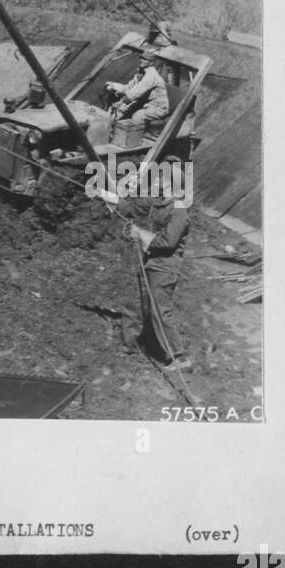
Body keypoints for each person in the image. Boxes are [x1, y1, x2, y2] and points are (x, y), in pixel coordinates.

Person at [113, 165, 192, 372]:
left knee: (160, 312)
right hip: (149, 261)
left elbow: (167, 242)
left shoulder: (179, 211)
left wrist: (139, 233)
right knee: (136, 303)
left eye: (161, 180)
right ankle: (128, 344)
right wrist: (118, 195)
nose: (156, 183)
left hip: (165, 268)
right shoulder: (156, 202)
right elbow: (131, 208)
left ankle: (180, 357)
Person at [105, 46, 169, 128]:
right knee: (118, 109)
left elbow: (135, 93)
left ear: (151, 63)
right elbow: (130, 87)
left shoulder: (151, 76)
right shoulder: (140, 72)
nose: (141, 60)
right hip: (143, 102)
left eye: (145, 59)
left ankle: (130, 138)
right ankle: (105, 126)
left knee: (138, 116)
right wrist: (115, 87)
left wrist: (120, 102)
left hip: (158, 108)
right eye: (141, 58)